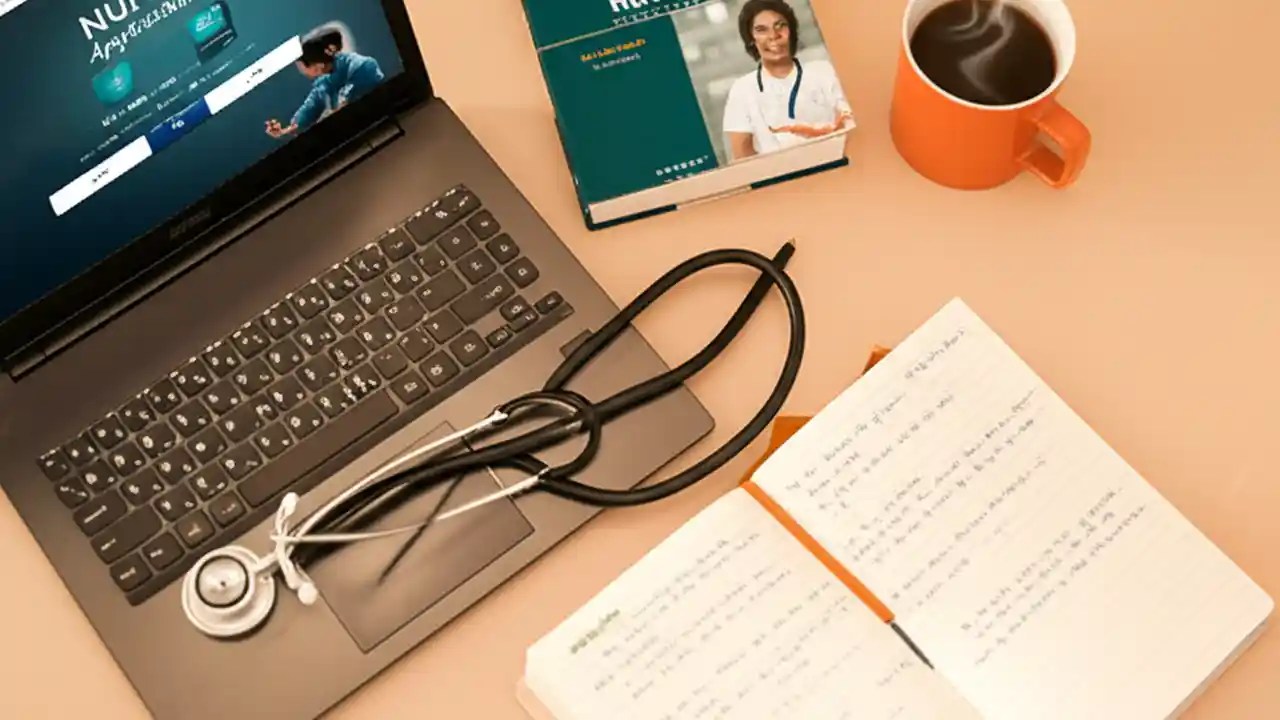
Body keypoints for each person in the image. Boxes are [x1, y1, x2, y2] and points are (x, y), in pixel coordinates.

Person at [722, 0, 854, 161]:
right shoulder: (742, 89)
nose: (773, 36)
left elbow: (851, 128)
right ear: (751, 39)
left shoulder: (824, 72)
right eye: (761, 30)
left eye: (780, 26)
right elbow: (742, 157)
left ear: (792, 30)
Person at [265, 28, 385, 139]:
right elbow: (309, 110)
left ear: (318, 65)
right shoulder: (323, 83)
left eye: (302, 66)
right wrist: (283, 131)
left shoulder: (363, 66)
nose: (301, 71)